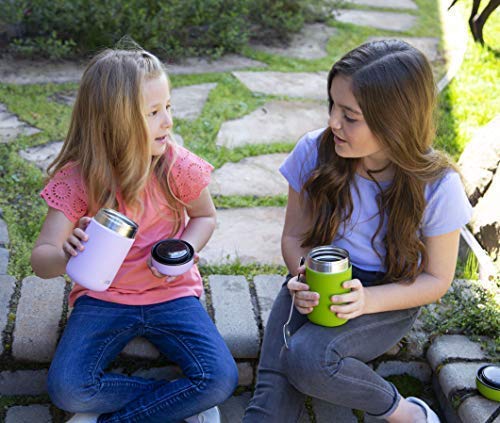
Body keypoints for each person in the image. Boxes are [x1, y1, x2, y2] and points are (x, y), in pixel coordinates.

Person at [243, 39, 472, 423]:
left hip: (390, 292)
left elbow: (436, 279)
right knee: (268, 408)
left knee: (307, 358)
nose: (333, 121)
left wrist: (367, 301)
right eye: (332, 105)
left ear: (393, 122)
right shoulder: (313, 153)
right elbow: (293, 238)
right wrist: (300, 276)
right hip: (319, 278)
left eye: (350, 116)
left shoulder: (438, 186)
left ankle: (404, 412)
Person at [30, 48, 238, 423]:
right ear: (112, 121)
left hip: (171, 294)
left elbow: (205, 216)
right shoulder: (79, 179)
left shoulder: (177, 166)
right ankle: (184, 403)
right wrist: (65, 253)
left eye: (168, 107)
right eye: (153, 113)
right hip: (102, 299)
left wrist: (185, 249)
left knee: (220, 377)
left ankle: (113, 417)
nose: (168, 122)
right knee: (67, 388)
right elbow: (41, 259)